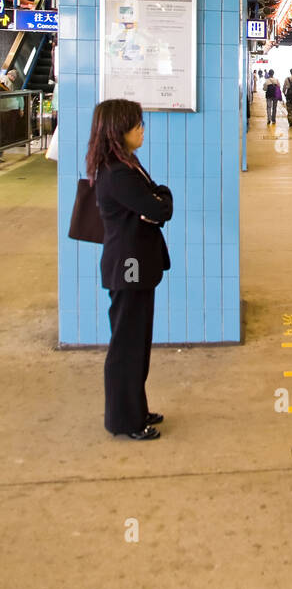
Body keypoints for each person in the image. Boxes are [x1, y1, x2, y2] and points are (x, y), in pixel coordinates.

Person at [87, 99, 173, 442]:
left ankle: (135, 407)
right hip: (130, 266)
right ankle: (126, 420)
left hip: (133, 261)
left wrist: (156, 202)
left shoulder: (123, 164)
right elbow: (159, 207)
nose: (142, 129)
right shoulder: (118, 173)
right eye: (136, 124)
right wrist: (160, 198)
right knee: (128, 342)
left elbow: (154, 205)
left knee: (137, 339)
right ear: (118, 130)